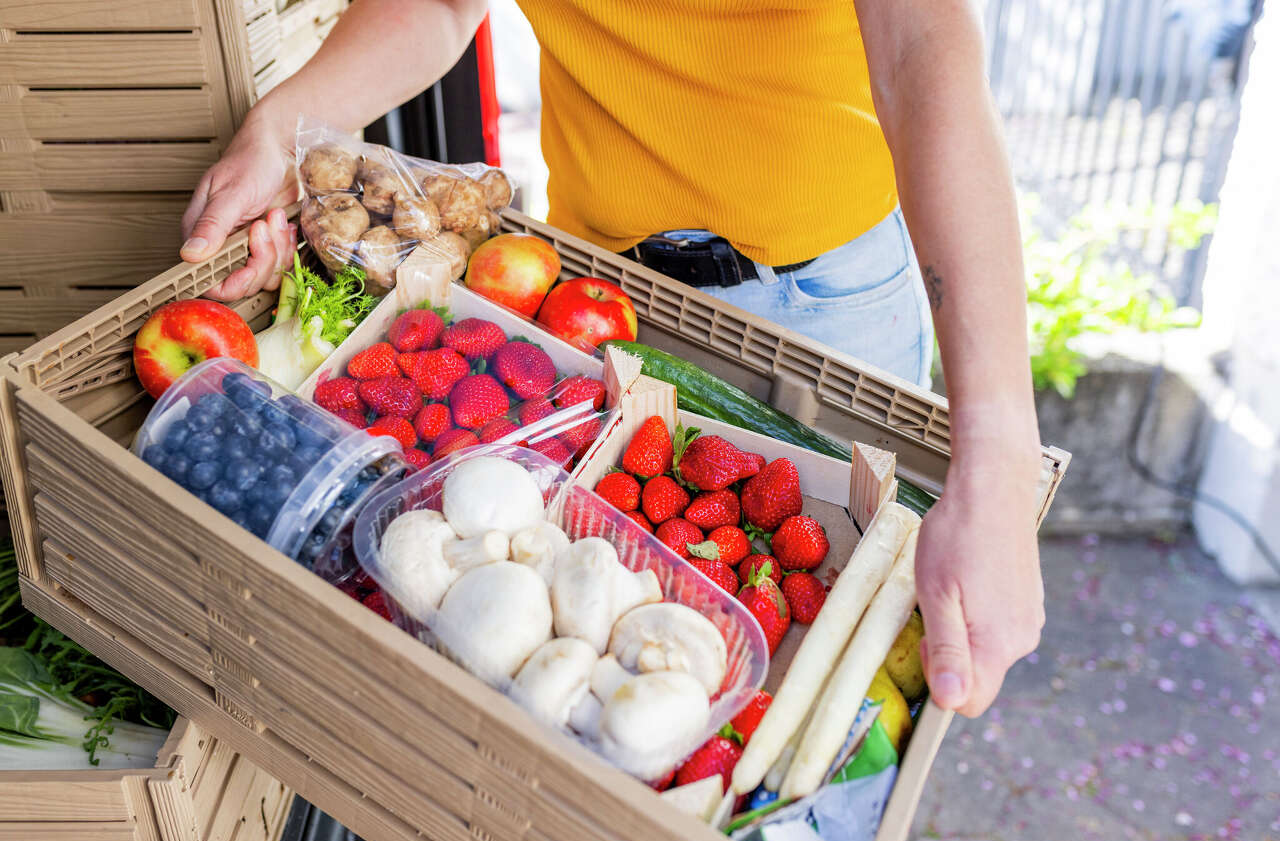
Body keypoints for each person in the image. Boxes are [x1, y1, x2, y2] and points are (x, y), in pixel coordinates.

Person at [180, 0, 1044, 719]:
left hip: (831, 302)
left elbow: (922, 49)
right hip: (602, 296)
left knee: (832, 665)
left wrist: (999, 465)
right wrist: (281, 132)